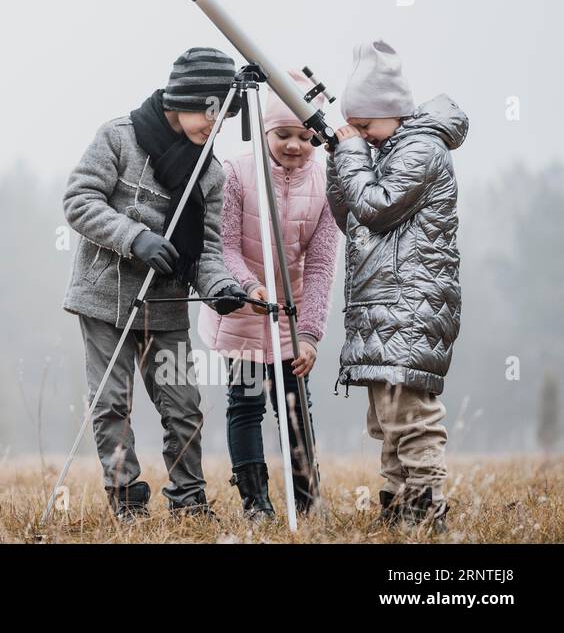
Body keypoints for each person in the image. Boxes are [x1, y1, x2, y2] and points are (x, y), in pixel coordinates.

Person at [62, 47, 249, 520]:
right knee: (111, 404)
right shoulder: (118, 139)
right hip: (105, 299)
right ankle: (127, 500)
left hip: (166, 308)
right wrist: (135, 238)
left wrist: (223, 286)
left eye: (224, 116)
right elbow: (79, 200)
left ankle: (190, 502)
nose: (217, 125)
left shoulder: (209, 172)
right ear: (185, 98)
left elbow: (207, 251)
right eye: (212, 112)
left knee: (184, 407)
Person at [326, 39, 469, 532]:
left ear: (393, 112)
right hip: (383, 305)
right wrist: (337, 160)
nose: (361, 135)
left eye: (365, 125)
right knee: (386, 419)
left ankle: (428, 508)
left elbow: (377, 207)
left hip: (411, 303)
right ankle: (398, 506)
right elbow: (352, 218)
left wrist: (351, 154)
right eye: (356, 129)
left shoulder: (422, 150)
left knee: (412, 415)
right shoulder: (383, 152)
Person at [200, 70, 339, 519]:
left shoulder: (325, 185)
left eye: (304, 136)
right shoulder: (237, 174)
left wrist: (312, 334)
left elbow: (320, 266)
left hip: (291, 319)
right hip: (242, 310)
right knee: (246, 403)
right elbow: (223, 245)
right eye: (283, 134)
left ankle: (307, 499)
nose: (294, 145)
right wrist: (248, 287)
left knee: (296, 405)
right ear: (264, 132)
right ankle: (255, 501)